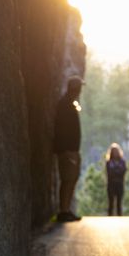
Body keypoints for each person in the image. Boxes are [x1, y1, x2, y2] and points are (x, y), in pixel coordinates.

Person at [52, 75, 84, 222]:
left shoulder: (71, 103)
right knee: (67, 179)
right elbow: (62, 128)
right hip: (67, 150)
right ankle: (63, 210)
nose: (80, 90)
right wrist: (65, 150)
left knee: (71, 179)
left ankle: (66, 209)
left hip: (71, 150)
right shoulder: (65, 104)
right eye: (79, 87)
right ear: (75, 88)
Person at [106, 143, 128, 216]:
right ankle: (109, 217)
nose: (115, 153)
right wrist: (117, 171)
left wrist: (115, 171)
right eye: (113, 151)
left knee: (119, 203)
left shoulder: (122, 162)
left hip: (119, 184)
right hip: (111, 185)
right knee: (111, 203)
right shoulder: (109, 162)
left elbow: (123, 171)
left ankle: (120, 217)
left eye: (116, 151)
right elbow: (109, 172)